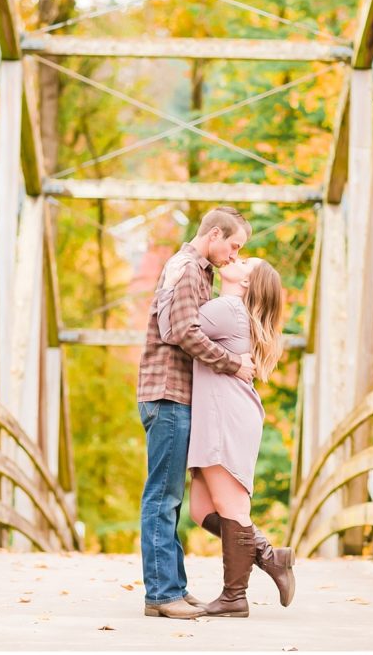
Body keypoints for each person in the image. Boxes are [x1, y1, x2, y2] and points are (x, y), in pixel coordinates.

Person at [158, 255, 295, 618]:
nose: (236, 257)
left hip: (224, 418)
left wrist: (169, 286)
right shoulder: (232, 311)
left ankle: (234, 597)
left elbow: (174, 329)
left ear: (247, 283)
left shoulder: (227, 308)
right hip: (221, 415)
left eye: (245, 261)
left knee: (232, 509)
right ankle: (269, 555)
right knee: (203, 510)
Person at [136, 207, 256, 620]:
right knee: (162, 497)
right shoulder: (188, 269)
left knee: (170, 496)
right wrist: (234, 363)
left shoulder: (194, 270)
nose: (234, 255)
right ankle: (161, 594)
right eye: (234, 245)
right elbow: (185, 331)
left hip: (176, 398)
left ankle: (174, 587)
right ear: (215, 234)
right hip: (169, 396)